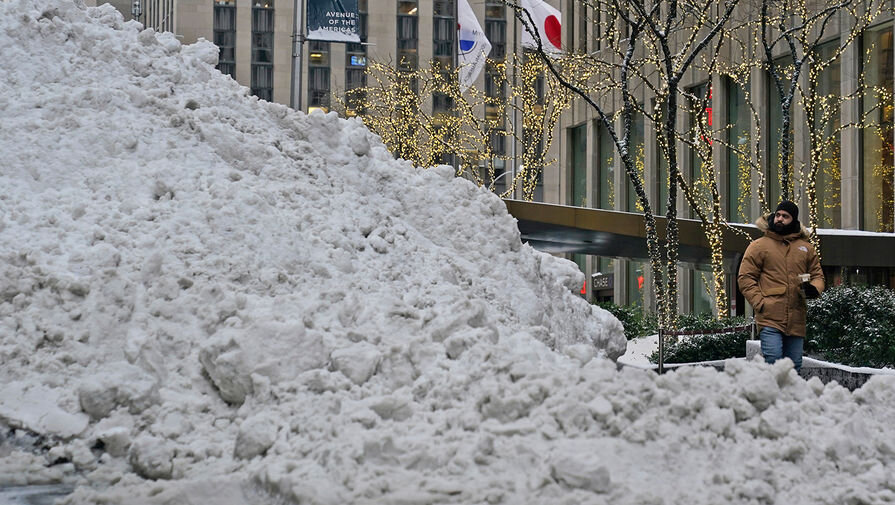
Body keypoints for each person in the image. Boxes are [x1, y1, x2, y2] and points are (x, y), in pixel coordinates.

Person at [737, 200, 824, 372]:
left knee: (794, 366)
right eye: (778, 215)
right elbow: (745, 278)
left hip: (797, 317)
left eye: (785, 216)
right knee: (773, 360)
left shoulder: (806, 248)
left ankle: (790, 398)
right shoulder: (759, 246)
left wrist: (813, 289)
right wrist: (760, 303)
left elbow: (817, 276)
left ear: (794, 220)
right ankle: (771, 397)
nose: (780, 219)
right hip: (769, 316)